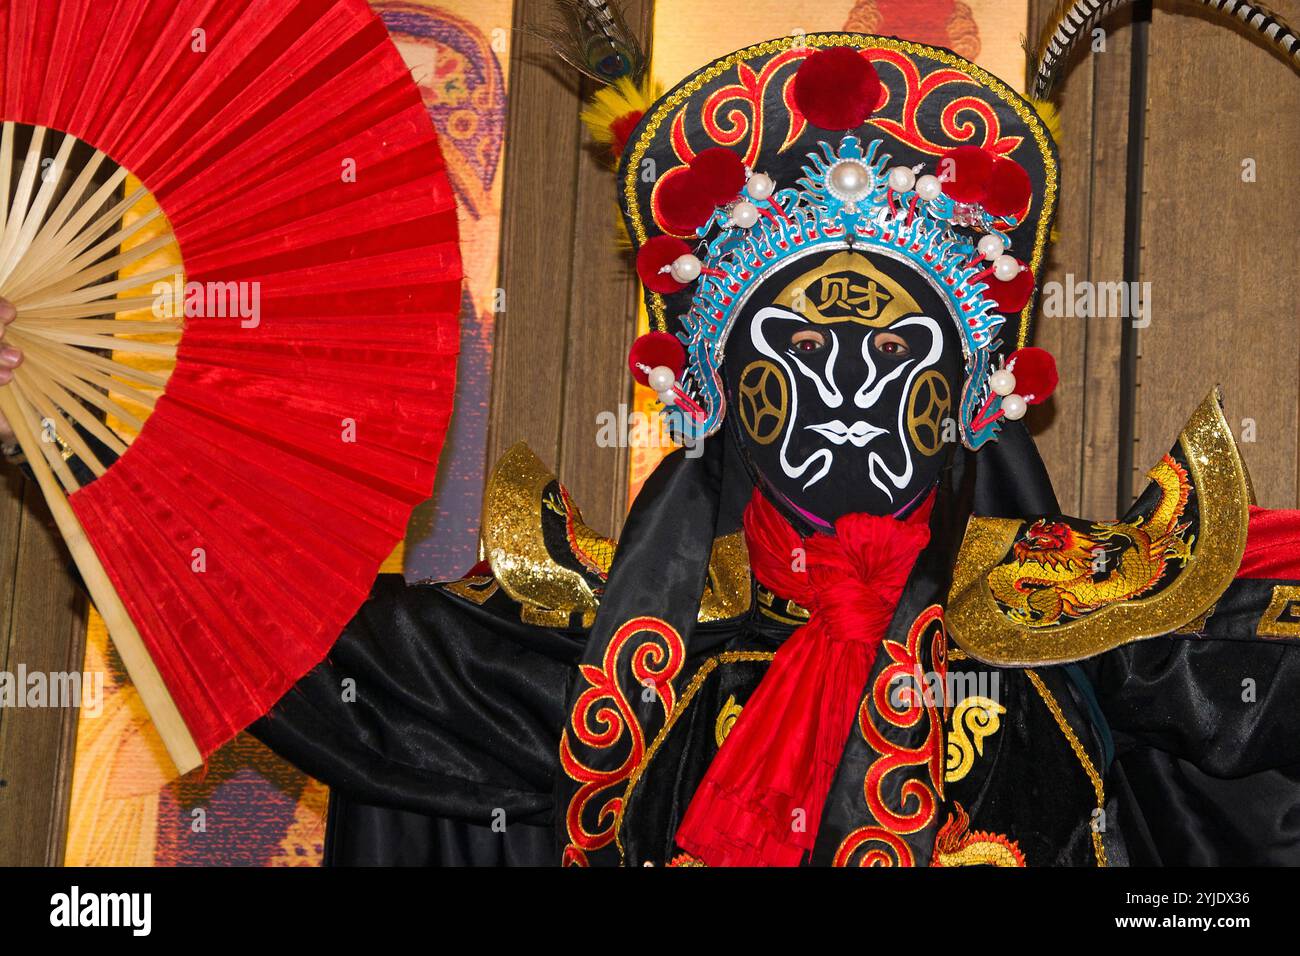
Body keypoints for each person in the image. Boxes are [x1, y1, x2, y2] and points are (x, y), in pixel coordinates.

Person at [4, 11, 1300, 867]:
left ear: (969, 394)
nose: (849, 378)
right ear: (714, 389)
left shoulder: (1092, 630)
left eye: (895, 345)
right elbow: (320, 646)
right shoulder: (584, 665)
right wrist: (97, 426)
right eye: (801, 342)